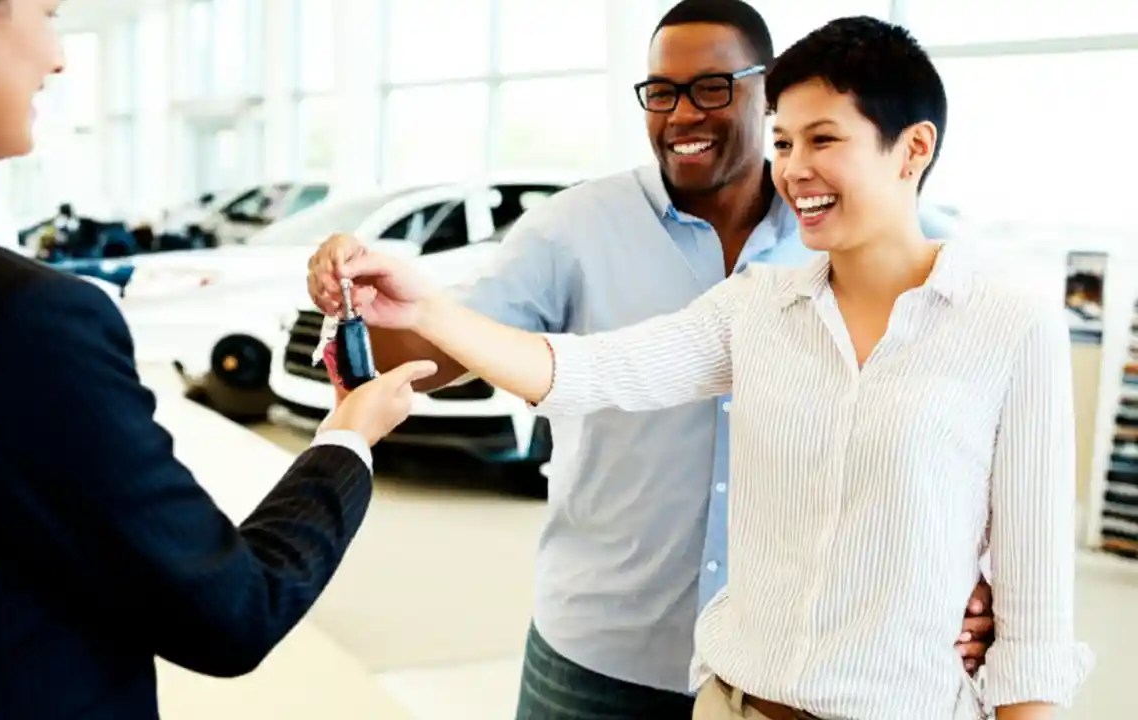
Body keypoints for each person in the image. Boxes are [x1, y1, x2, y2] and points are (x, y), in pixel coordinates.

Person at [312, 15, 1093, 719]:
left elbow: (1035, 621)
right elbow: (588, 371)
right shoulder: (756, 306)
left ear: (913, 149)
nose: (794, 168)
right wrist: (424, 306)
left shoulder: (1006, 324)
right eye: (786, 143)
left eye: (822, 140)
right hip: (719, 695)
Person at [0, 2, 436, 717]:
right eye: (45, 13)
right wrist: (350, 436)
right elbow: (231, 610)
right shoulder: (17, 315)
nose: (58, 57)